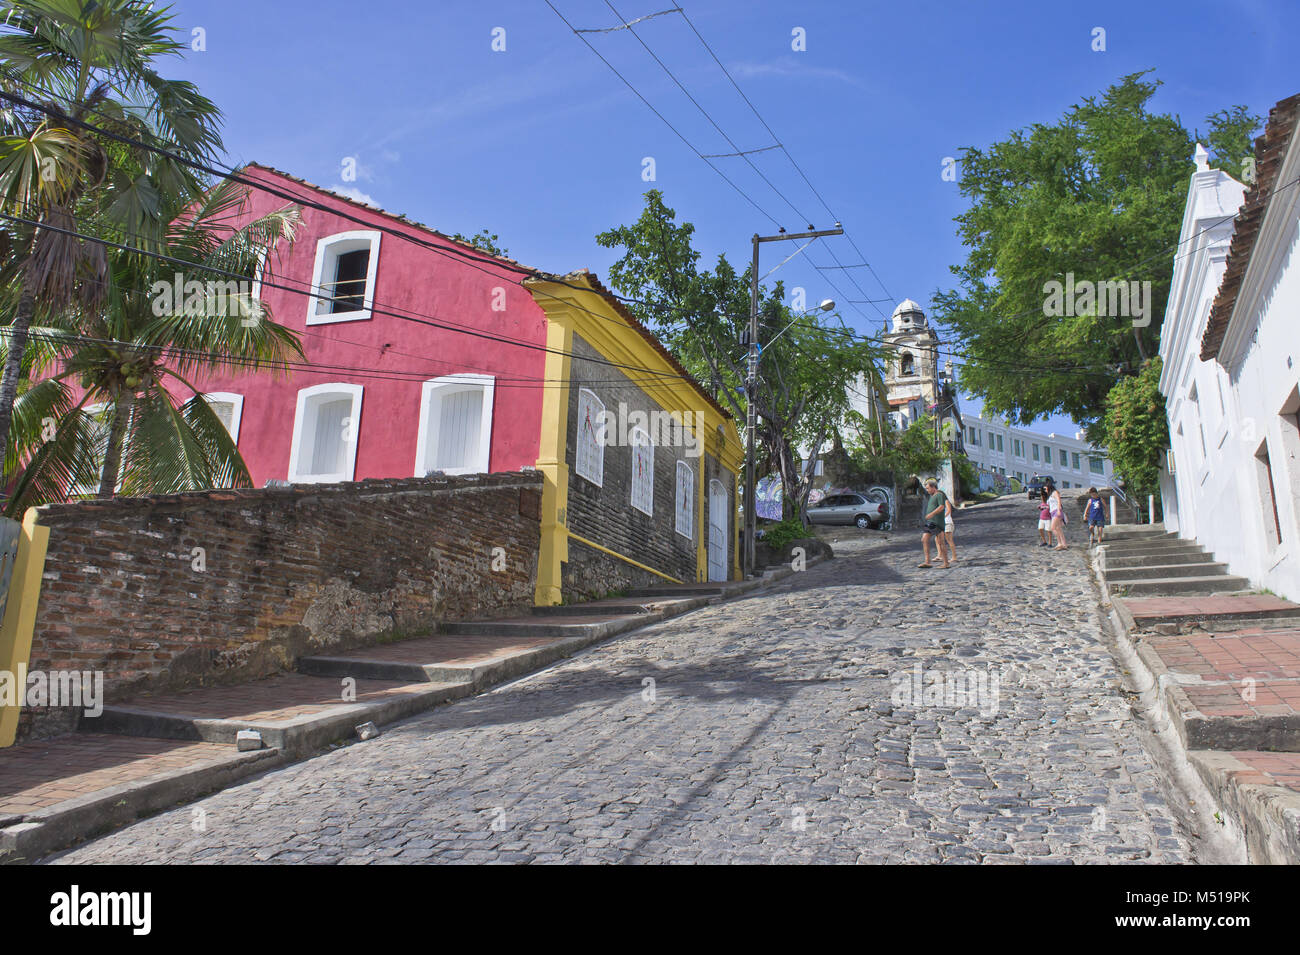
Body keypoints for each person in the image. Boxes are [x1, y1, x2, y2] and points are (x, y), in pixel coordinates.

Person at [919, 478, 950, 569]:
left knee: (940, 542)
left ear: (933, 487)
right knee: (925, 539)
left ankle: (945, 563)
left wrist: (931, 514)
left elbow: (941, 507)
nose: (927, 490)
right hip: (931, 522)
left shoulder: (939, 495)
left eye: (928, 488)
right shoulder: (932, 497)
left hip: (936, 522)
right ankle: (928, 561)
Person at [1046, 478, 1068, 550]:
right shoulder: (1050, 496)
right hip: (1052, 512)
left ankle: (1059, 543)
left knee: (1053, 527)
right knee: (1058, 528)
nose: (1045, 490)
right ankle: (1064, 544)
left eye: (1045, 488)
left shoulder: (1055, 492)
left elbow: (1059, 501)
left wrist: (1059, 510)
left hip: (1056, 511)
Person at [944, 495, 957, 561]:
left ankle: (954, 557)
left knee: (949, 540)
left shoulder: (946, 501)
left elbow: (949, 511)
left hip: (947, 522)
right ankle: (940, 555)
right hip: (942, 523)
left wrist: (942, 517)